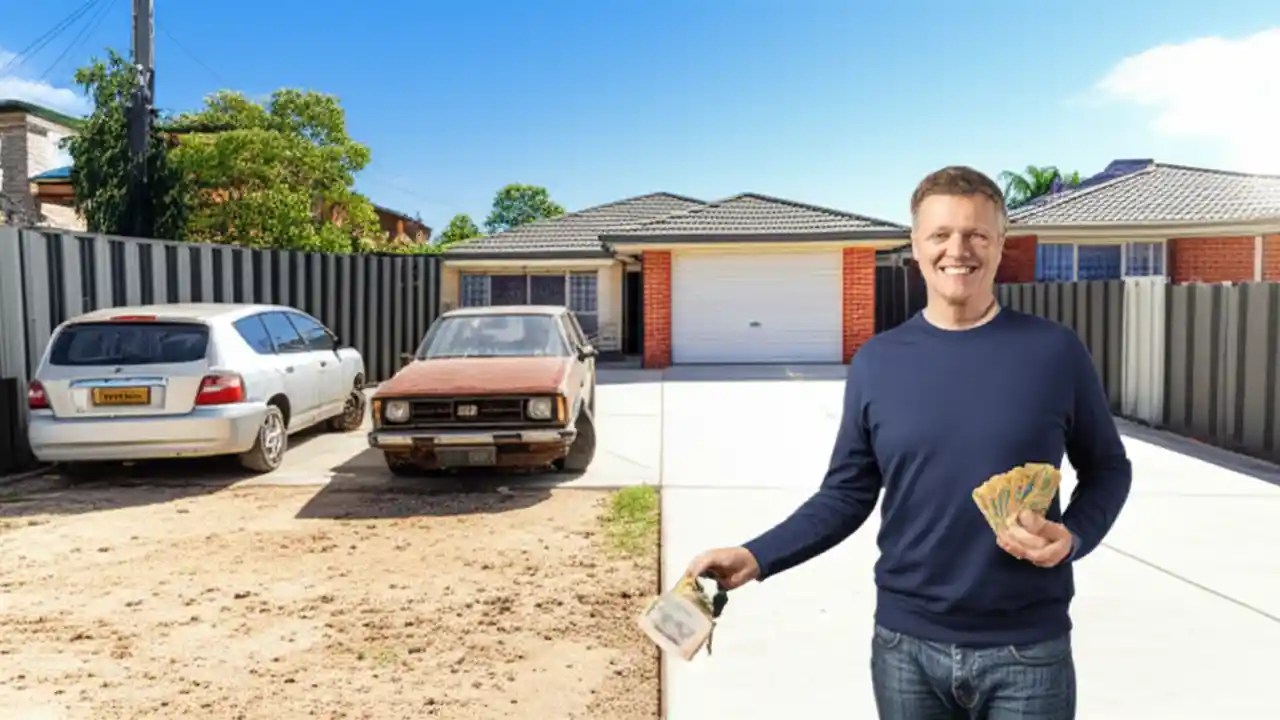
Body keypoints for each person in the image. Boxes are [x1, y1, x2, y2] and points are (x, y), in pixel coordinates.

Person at [683, 166, 1133, 720]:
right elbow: (846, 494)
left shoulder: (1055, 353)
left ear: (1000, 247)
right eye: (940, 234)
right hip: (906, 651)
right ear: (916, 247)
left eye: (976, 235)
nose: (958, 250)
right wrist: (757, 555)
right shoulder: (878, 361)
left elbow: (1109, 468)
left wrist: (1074, 537)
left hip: (1027, 652)